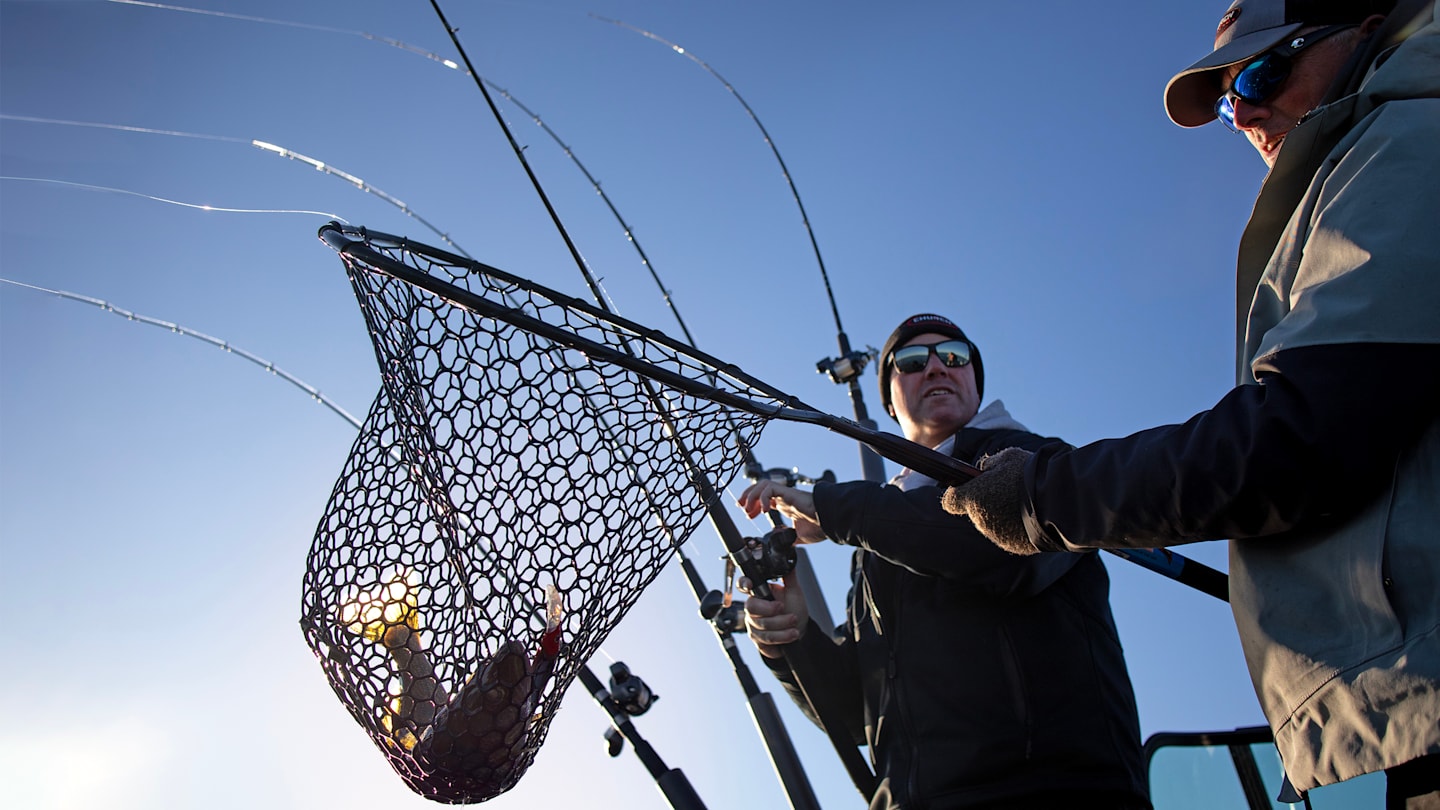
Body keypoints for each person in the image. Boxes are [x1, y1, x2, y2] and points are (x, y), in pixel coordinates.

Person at [941, 0, 1440, 804]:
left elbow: (1299, 440)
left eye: (1262, 70)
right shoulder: (1366, 168)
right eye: (1224, 98)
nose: (1241, 110)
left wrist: (1045, 495)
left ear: (1367, 24)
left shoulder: (1411, 139)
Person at [738, 313, 1150, 810]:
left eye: (953, 356)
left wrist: (829, 508)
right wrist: (794, 641)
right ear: (890, 399)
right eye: (912, 361)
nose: (935, 367)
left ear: (974, 380)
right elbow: (857, 713)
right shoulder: (877, 536)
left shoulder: (1040, 463)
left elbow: (997, 548)